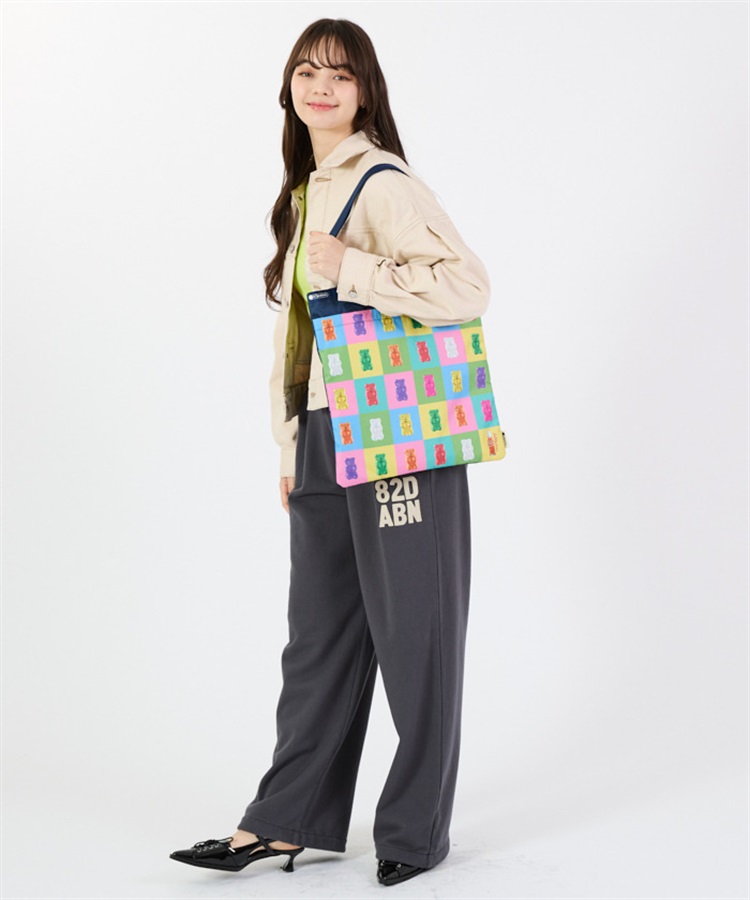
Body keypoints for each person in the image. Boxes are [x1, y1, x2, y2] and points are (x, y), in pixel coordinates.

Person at [170, 17, 491, 888]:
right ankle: (282, 822)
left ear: (365, 91)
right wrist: (291, 446)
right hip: (324, 436)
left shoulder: (384, 182)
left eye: (340, 75)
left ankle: (415, 832)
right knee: (317, 640)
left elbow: (467, 287)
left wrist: (353, 267)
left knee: (416, 635)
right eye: (307, 71)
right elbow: (299, 338)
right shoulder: (305, 190)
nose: (321, 86)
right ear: (288, 87)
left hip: (398, 432)